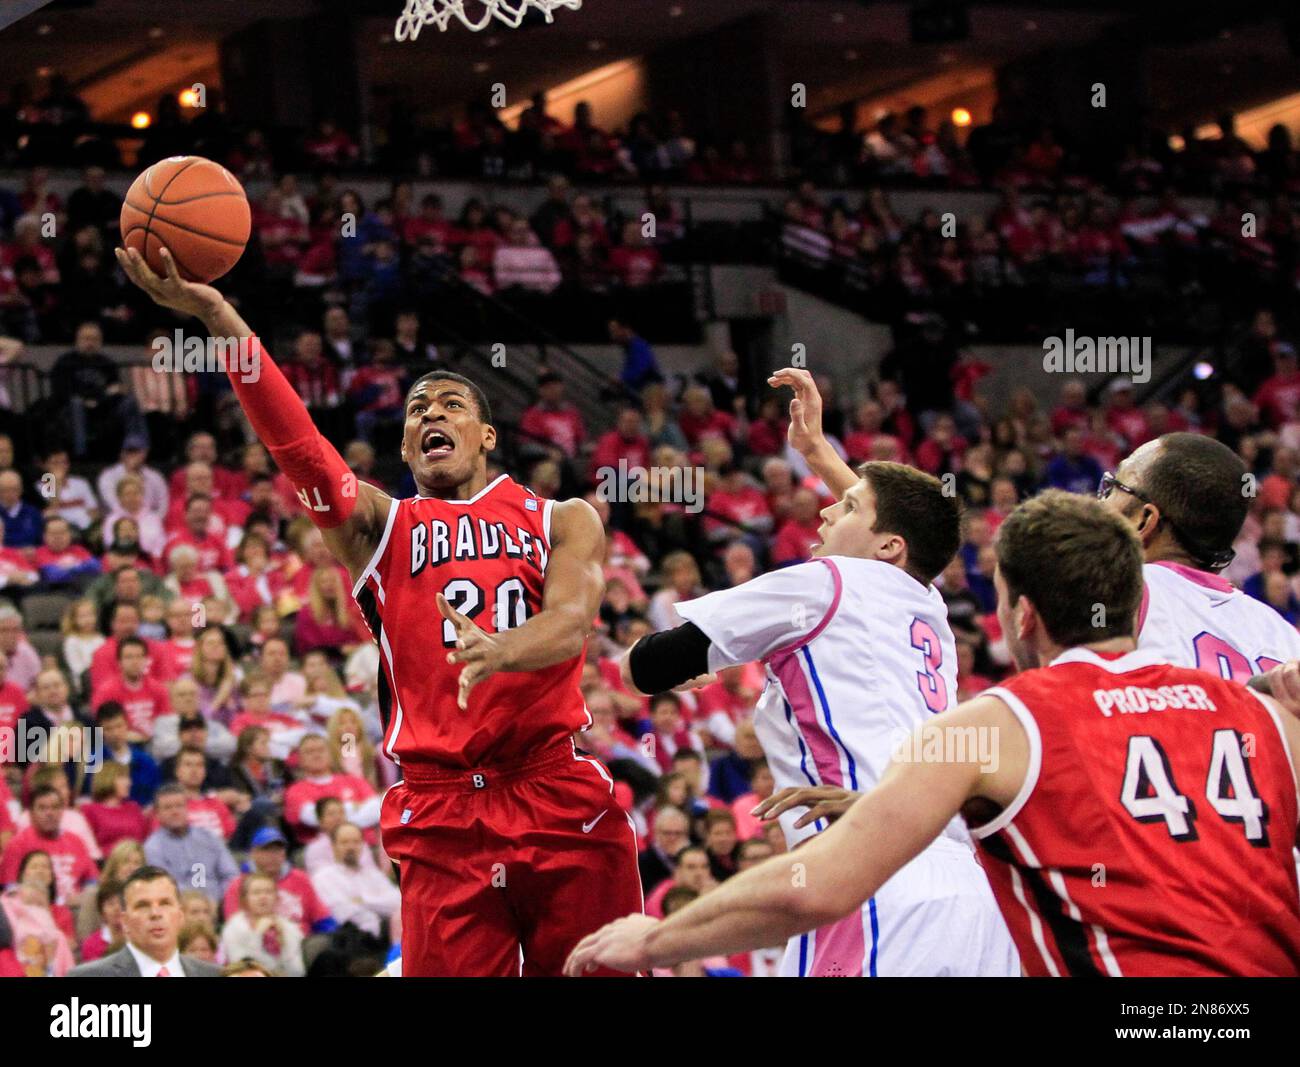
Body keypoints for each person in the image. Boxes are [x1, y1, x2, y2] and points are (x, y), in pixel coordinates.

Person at [116, 242, 641, 977]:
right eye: (418, 410)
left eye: (451, 405)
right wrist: (215, 312)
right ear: (405, 446)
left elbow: (572, 624)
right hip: (442, 807)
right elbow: (297, 445)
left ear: (487, 435)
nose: (432, 413)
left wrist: (500, 649)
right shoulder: (381, 527)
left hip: (554, 788)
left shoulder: (564, 517)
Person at [567, 491, 1300, 978]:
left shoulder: (1007, 722)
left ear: (1020, 617)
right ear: (1140, 607)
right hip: (990, 913)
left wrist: (654, 940)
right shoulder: (1254, 712)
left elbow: (819, 885)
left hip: (900, 894)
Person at [603, 367, 1019, 977]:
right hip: (965, 886)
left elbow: (650, 664)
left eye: (844, 506)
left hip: (871, 873)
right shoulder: (923, 599)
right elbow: (903, 530)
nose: (825, 513)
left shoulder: (824, 582)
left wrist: (653, 659)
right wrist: (818, 452)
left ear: (885, 544)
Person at [1098, 432, 1300, 679]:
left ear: (1145, 520)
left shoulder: (1119, 588)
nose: (1100, 502)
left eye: (1114, 488)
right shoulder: (1286, 636)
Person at [68, 866, 222, 976]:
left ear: (180, 916)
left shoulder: (214, 975)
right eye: (142, 906)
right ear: (125, 921)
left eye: (165, 903)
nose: (155, 913)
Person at [0, 786, 97, 908]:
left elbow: (92, 881)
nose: (49, 813)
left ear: (63, 811)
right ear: (31, 813)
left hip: (75, 908)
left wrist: (82, 898)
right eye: (42, 808)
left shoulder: (76, 841)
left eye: (55, 807)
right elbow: (9, 889)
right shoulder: (17, 844)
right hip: (32, 909)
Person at [143, 784, 239, 903]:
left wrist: (217, 900)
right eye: (168, 808)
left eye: (179, 806)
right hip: (179, 909)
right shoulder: (153, 847)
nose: (175, 812)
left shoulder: (209, 837)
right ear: (157, 814)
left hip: (219, 905)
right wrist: (198, 903)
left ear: (187, 808)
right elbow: (164, 886)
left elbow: (231, 875)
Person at [310, 822, 401, 940]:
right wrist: (378, 904)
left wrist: (363, 900)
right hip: (348, 938)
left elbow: (398, 901)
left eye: (356, 842)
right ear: (333, 846)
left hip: (385, 931)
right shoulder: (323, 877)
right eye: (345, 842)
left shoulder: (372, 874)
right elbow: (343, 913)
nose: (351, 847)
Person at [219, 871, 305, 977]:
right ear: (245, 899)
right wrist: (257, 935)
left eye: (268, 892)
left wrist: (283, 944)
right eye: (256, 892)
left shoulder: (289, 928)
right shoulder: (233, 928)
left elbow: (297, 971)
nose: (263, 897)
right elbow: (242, 968)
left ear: (276, 897)